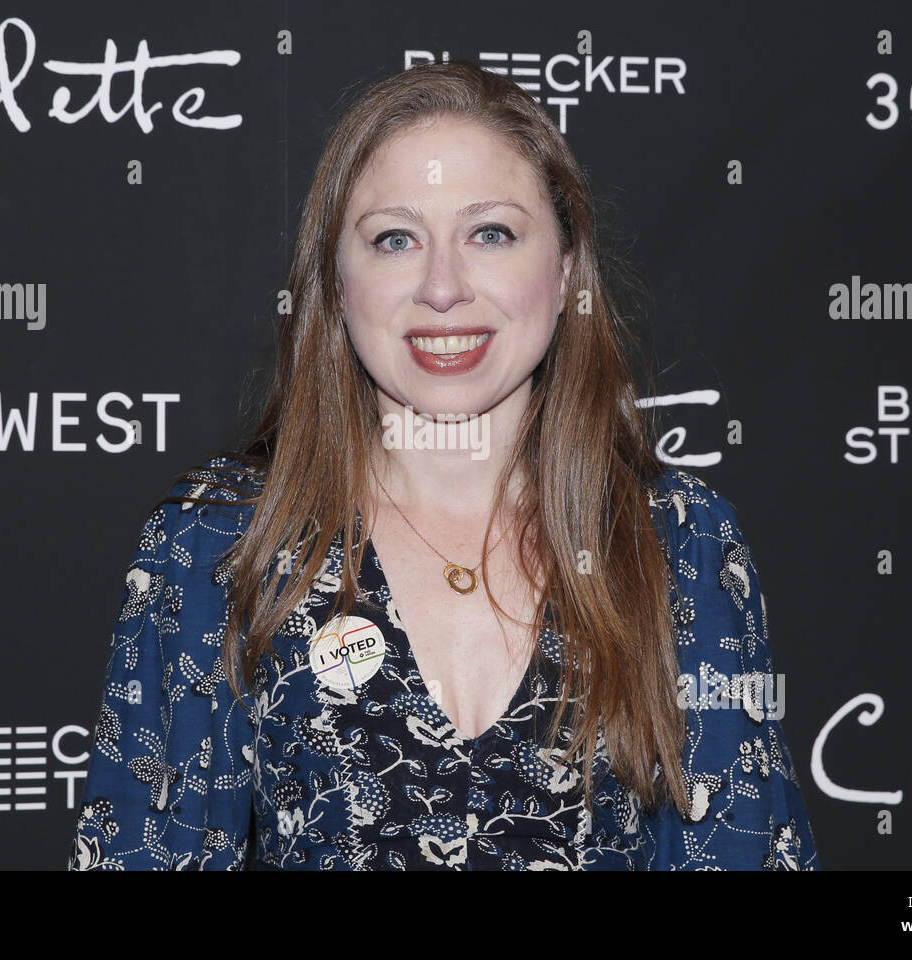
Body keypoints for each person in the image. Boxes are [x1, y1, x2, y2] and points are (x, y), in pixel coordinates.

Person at [69, 59, 820, 871]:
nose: (442, 287)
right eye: (396, 239)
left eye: (490, 233)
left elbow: (743, 853)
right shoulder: (217, 544)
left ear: (567, 270)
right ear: (336, 281)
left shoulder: (679, 543)